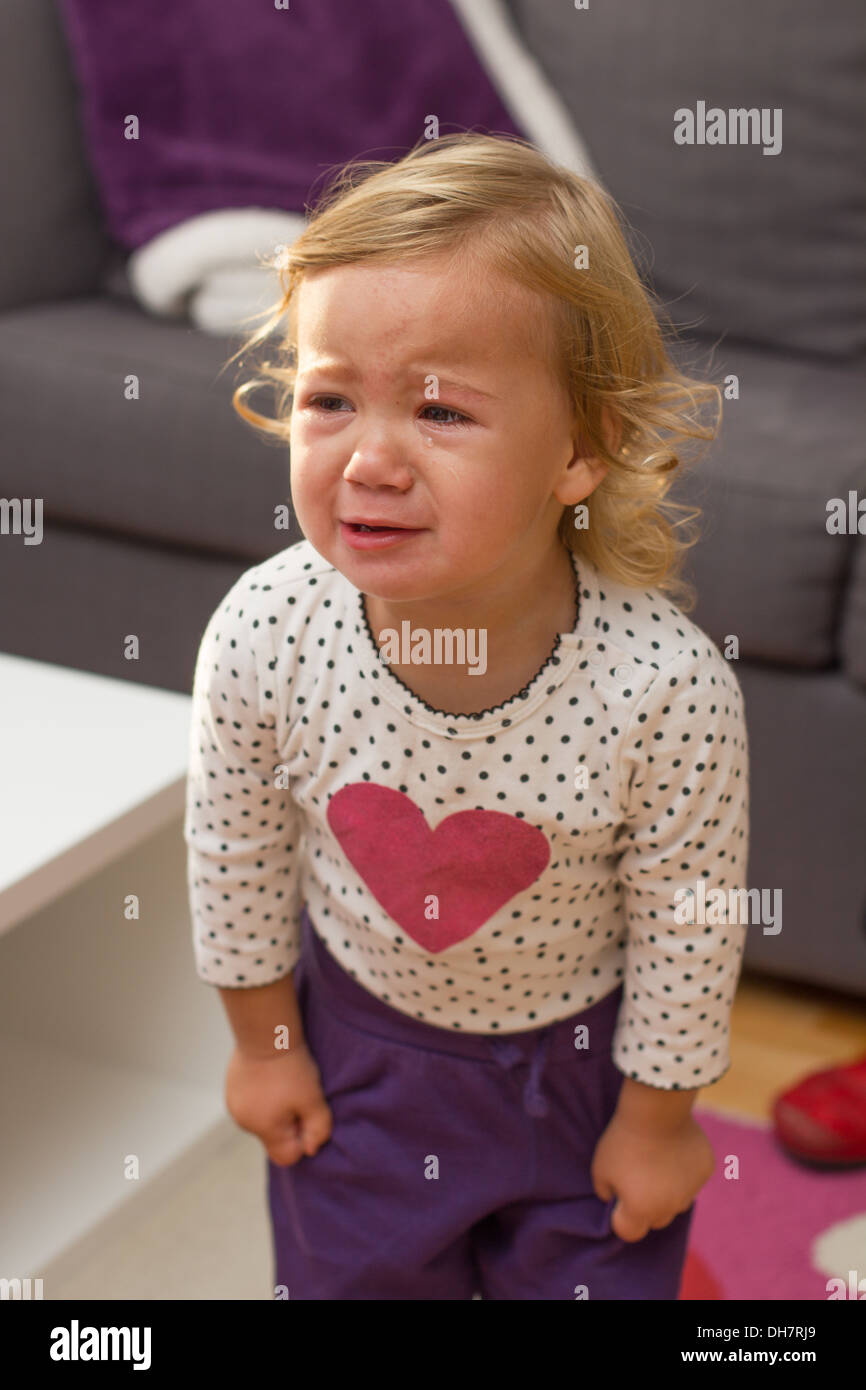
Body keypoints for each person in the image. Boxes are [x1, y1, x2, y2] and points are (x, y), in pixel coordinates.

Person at [183, 132, 750, 1300]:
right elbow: (234, 856)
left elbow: (689, 931)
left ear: (579, 449)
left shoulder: (667, 690)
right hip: (360, 1066)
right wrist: (263, 1048)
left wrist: (655, 1124)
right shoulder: (265, 630)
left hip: (585, 1072)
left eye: (439, 412)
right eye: (330, 397)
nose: (370, 460)